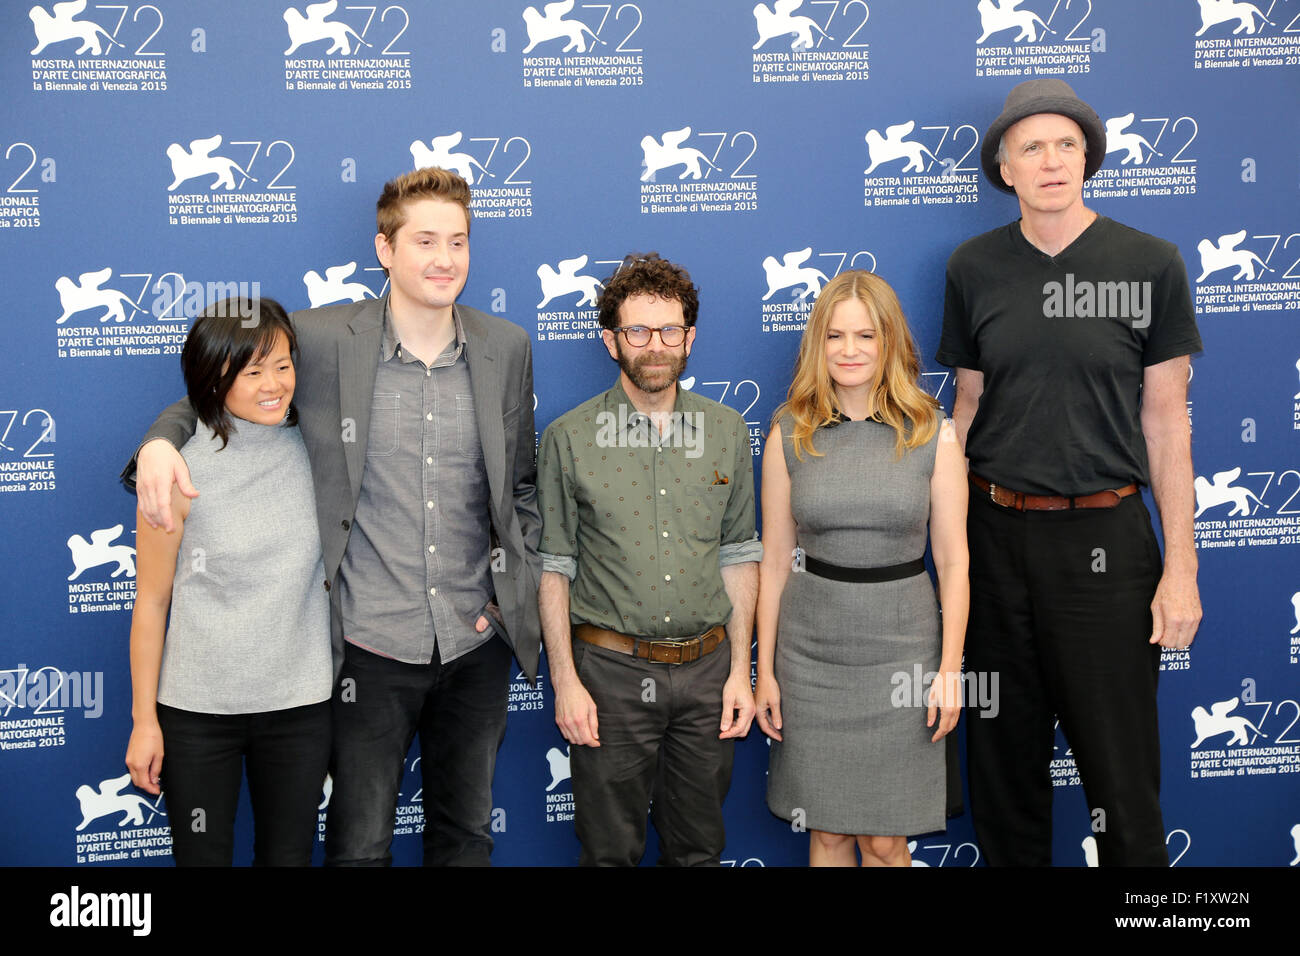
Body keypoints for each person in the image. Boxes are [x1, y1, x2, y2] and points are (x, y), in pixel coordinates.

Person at [124, 167, 542, 866]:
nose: (445, 259)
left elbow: (520, 486)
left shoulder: (507, 348)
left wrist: (506, 599)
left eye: (459, 242)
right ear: (385, 250)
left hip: (474, 646)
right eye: (426, 241)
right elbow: (222, 378)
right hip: (366, 650)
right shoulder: (319, 341)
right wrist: (161, 443)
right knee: (358, 845)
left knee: (467, 836)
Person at [936, 79, 1203, 866]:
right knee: (1002, 774)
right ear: (1004, 169)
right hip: (993, 542)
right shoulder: (973, 266)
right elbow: (968, 408)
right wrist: (945, 539)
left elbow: (1167, 422)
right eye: (1031, 148)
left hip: (1109, 547)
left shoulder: (1149, 263)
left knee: (1122, 784)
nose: (1051, 161)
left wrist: (1181, 566)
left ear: (1088, 159)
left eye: (1066, 145)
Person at [536, 252, 762, 866]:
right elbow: (554, 566)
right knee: (609, 854)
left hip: (708, 673)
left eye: (669, 331)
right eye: (637, 331)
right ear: (611, 341)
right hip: (607, 675)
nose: (654, 346)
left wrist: (740, 671)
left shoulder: (727, 432)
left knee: (699, 852)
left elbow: (740, 555)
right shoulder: (568, 438)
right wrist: (564, 682)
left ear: (690, 338)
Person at [754, 271, 969, 867]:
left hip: (903, 656)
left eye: (865, 336)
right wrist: (765, 671)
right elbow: (773, 563)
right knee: (826, 833)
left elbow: (954, 563)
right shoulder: (789, 433)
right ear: (817, 345)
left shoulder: (933, 432)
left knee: (883, 838)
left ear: (889, 342)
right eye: (835, 336)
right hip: (810, 658)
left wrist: (950, 669)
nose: (849, 350)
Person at [125, 297, 333, 866]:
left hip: (301, 707)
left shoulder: (322, 447)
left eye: (284, 365)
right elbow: (151, 602)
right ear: (215, 377)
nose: (274, 385)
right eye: (253, 370)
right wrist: (145, 721)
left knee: (288, 858)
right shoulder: (175, 467)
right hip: (197, 714)